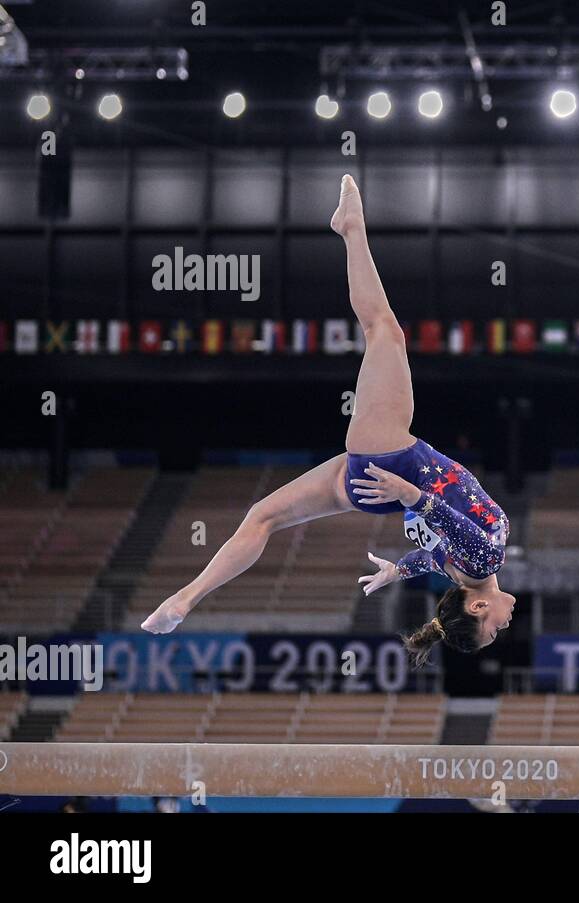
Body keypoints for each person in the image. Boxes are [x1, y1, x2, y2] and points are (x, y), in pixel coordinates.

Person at [141, 175, 515, 657]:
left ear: (479, 609)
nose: (506, 624)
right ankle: (184, 598)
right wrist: (396, 571)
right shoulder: (461, 568)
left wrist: (409, 494)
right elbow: (437, 552)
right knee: (263, 518)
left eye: (494, 630)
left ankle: (351, 229)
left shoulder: (486, 559)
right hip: (373, 487)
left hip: (394, 466)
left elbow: (449, 520)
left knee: (384, 331)